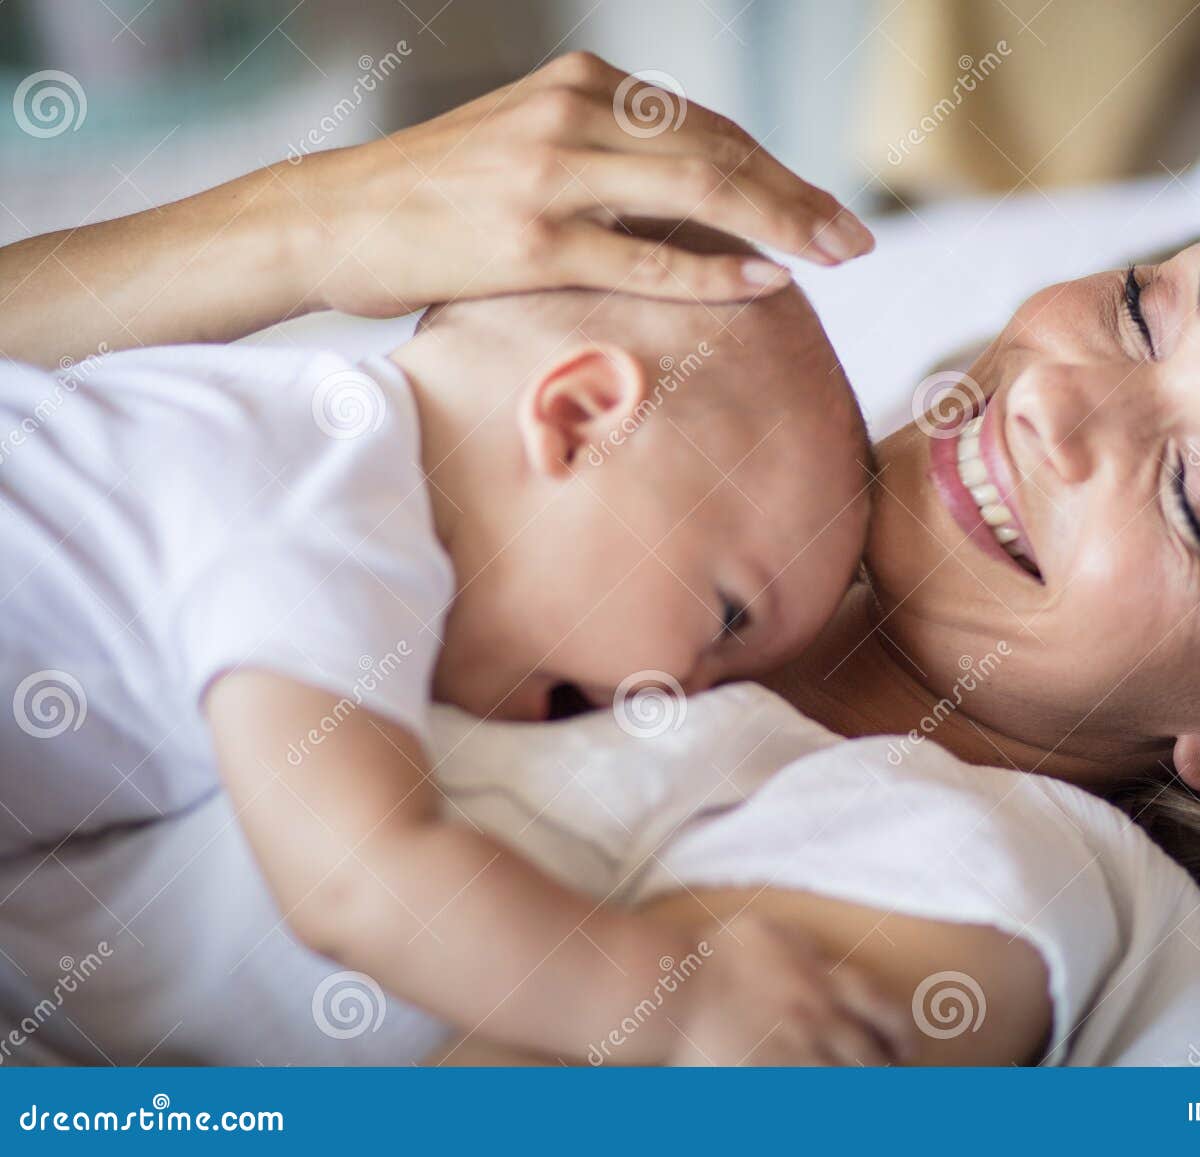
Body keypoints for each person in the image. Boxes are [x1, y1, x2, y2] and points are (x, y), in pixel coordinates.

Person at [6, 51, 1200, 1052]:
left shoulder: (970, 882)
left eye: (1196, 501)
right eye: (1138, 305)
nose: (1056, 401)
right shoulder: (645, 418)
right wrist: (298, 228)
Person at [0, 77, 898, 1061]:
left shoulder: (299, 439)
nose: (684, 697)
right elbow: (358, 878)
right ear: (580, 418)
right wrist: (680, 1003)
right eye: (728, 618)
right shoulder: (331, 510)